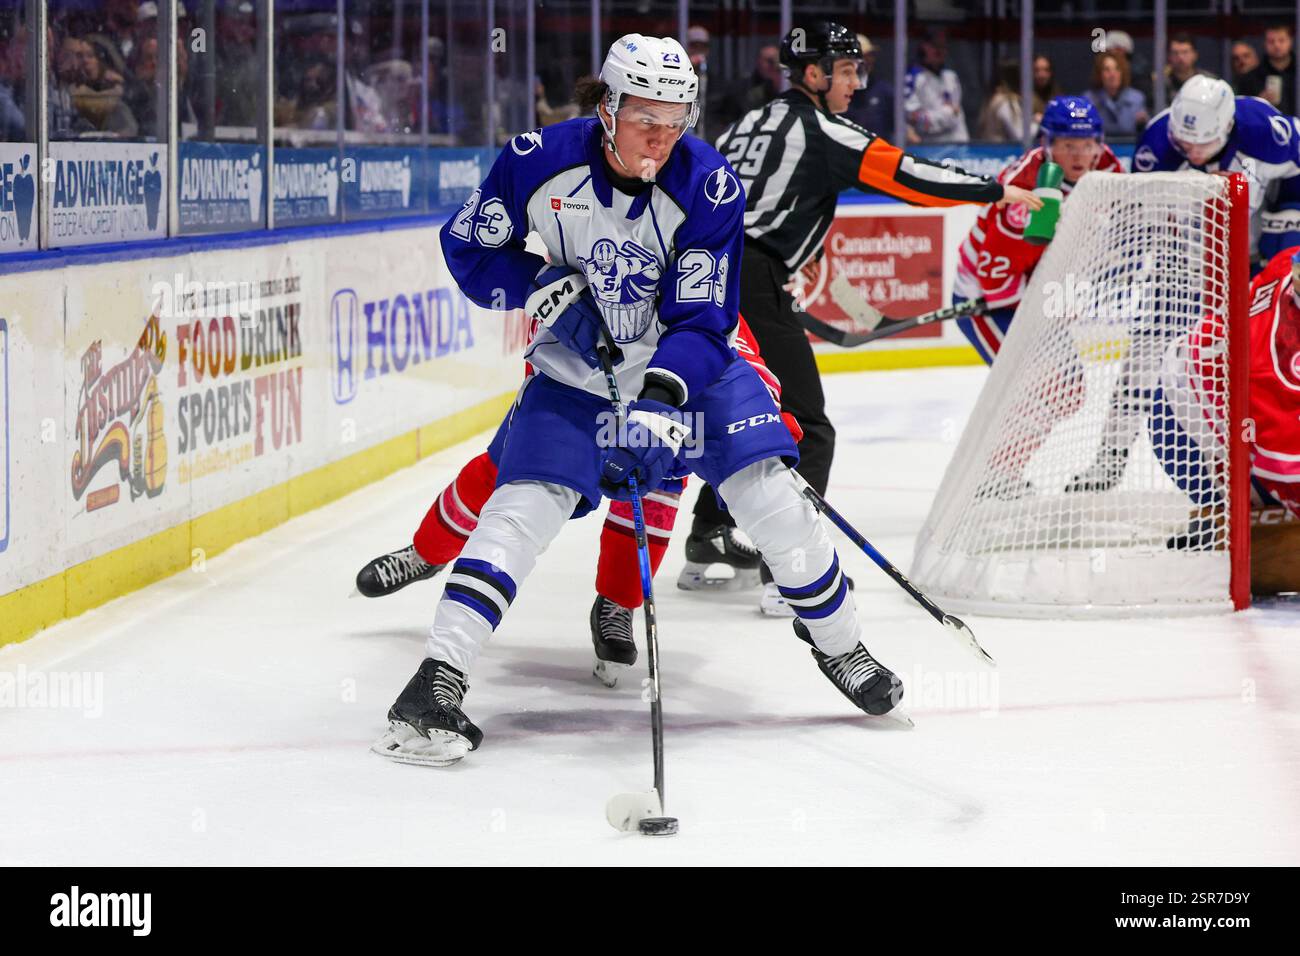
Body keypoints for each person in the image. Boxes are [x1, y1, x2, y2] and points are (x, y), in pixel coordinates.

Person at [373, 34, 908, 767]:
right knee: (521, 507)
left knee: (775, 497)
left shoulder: (708, 182)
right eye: (645, 119)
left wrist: (659, 400)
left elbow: (701, 318)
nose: (661, 136)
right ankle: (436, 682)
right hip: (576, 372)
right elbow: (469, 247)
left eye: (676, 118)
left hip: (690, 369)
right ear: (608, 107)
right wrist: (539, 285)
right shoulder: (536, 160)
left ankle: (841, 647)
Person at [702, 21, 1038, 612]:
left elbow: (766, 220)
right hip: (753, 282)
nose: (857, 82)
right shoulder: (824, 128)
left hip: (707, 278)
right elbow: (910, 176)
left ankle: (710, 537)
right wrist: (995, 192)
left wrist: (848, 303)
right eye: (848, 69)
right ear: (814, 74)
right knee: (806, 425)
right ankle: (793, 574)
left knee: (737, 410)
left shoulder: (749, 123)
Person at [355, 316, 800, 687]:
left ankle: (616, 604)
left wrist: (764, 417)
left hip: (658, 425)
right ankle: (426, 552)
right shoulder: (580, 262)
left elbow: (743, 357)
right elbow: (545, 351)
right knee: (495, 477)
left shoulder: (693, 281)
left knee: (652, 500)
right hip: (575, 408)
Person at [1147, 245, 1300, 595]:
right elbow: (1282, 467)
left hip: (1228, 391)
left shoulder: (1290, 259)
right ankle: (1221, 524)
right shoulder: (1281, 373)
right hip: (1186, 431)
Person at [954, 96, 1123, 364]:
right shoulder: (1025, 193)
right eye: (1068, 146)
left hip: (1037, 293)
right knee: (1040, 392)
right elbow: (993, 277)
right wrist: (1052, 298)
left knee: (1071, 392)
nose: (1080, 155)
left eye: (1088, 145)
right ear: (1047, 144)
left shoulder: (1106, 166)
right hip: (987, 300)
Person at [1134, 75, 1300, 269]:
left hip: (1258, 234)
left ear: (1227, 128)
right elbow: (1142, 213)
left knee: (1287, 236)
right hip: (1193, 258)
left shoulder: (1265, 132)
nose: (1193, 153)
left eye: (1203, 144)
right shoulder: (1155, 146)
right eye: (1184, 144)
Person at [904, 28, 968, 144]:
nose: (940, 51)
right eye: (935, 46)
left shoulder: (951, 77)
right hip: (931, 149)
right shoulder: (913, 78)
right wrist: (948, 113)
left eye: (943, 46)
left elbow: (957, 116)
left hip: (959, 147)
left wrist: (944, 115)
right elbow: (917, 121)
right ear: (924, 46)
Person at [1085, 51, 1148, 138]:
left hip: (1130, 148)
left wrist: (1142, 123)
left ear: (1122, 73)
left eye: (1117, 69)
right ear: (1099, 74)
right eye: (1107, 69)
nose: (1112, 74)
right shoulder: (1088, 100)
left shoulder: (1137, 98)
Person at [1238, 24, 1296, 118]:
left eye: (1281, 40)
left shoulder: (1296, 74)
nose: (1277, 45)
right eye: (1271, 41)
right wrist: (1258, 103)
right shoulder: (1249, 79)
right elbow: (1244, 115)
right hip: (1266, 129)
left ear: (1290, 42)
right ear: (1265, 44)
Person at [844, 35, 893, 135]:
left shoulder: (883, 90)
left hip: (877, 148)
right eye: (862, 56)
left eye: (870, 55)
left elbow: (895, 126)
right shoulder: (836, 91)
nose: (868, 60)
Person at [977, 59, 1033, 142]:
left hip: (990, 152)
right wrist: (1038, 123)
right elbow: (1020, 135)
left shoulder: (991, 99)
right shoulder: (1006, 102)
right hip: (1002, 153)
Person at [1163, 33, 1216, 102]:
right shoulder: (1161, 84)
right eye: (1175, 53)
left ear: (1195, 55)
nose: (1180, 57)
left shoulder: (1209, 81)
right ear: (1169, 56)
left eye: (1185, 52)